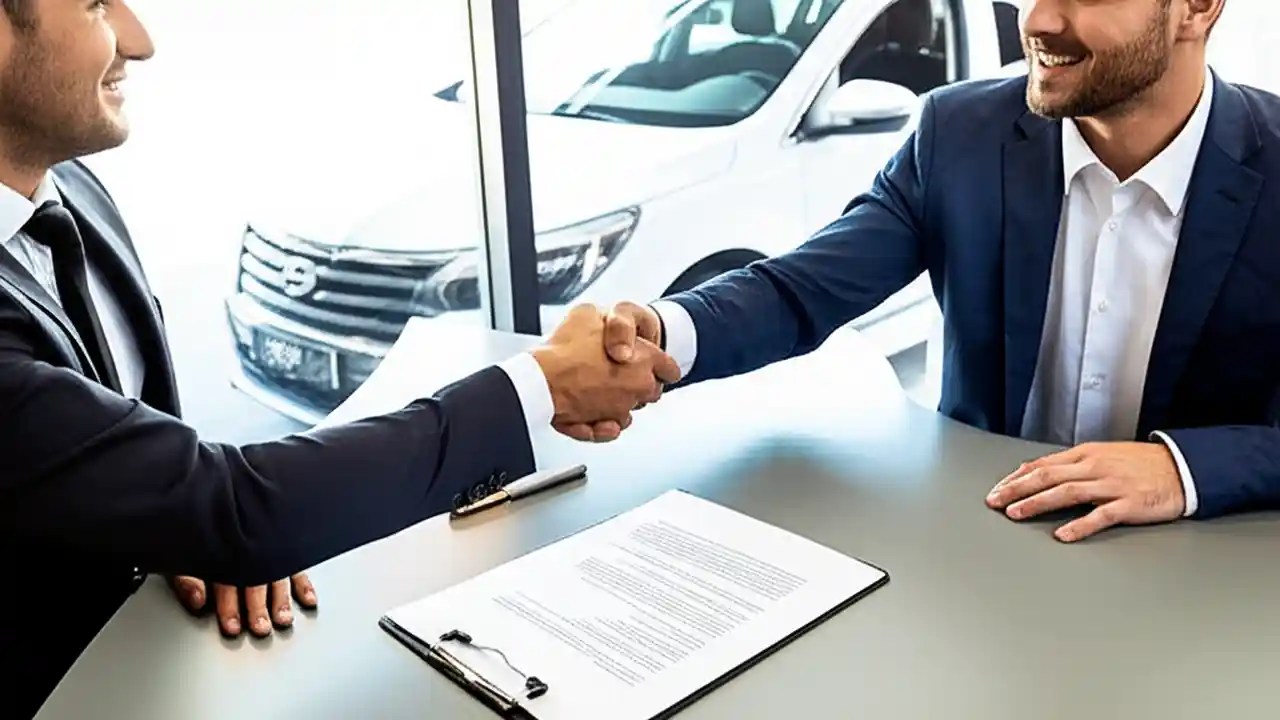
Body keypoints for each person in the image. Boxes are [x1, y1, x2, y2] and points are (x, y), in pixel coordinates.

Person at [0, 1, 677, 716]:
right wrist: (544, 387)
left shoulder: (65, 185)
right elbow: (231, 505)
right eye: (96, 5)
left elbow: (123, 461)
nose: (139, 41)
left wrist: (176, 524)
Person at [591, 0, 1280, 541]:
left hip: (1201, 568)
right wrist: (658, 332)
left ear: (1197, 6)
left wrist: (1182, 469)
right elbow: (801, 290)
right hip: (980, 545)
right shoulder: (958, 135)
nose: (1037, 19)